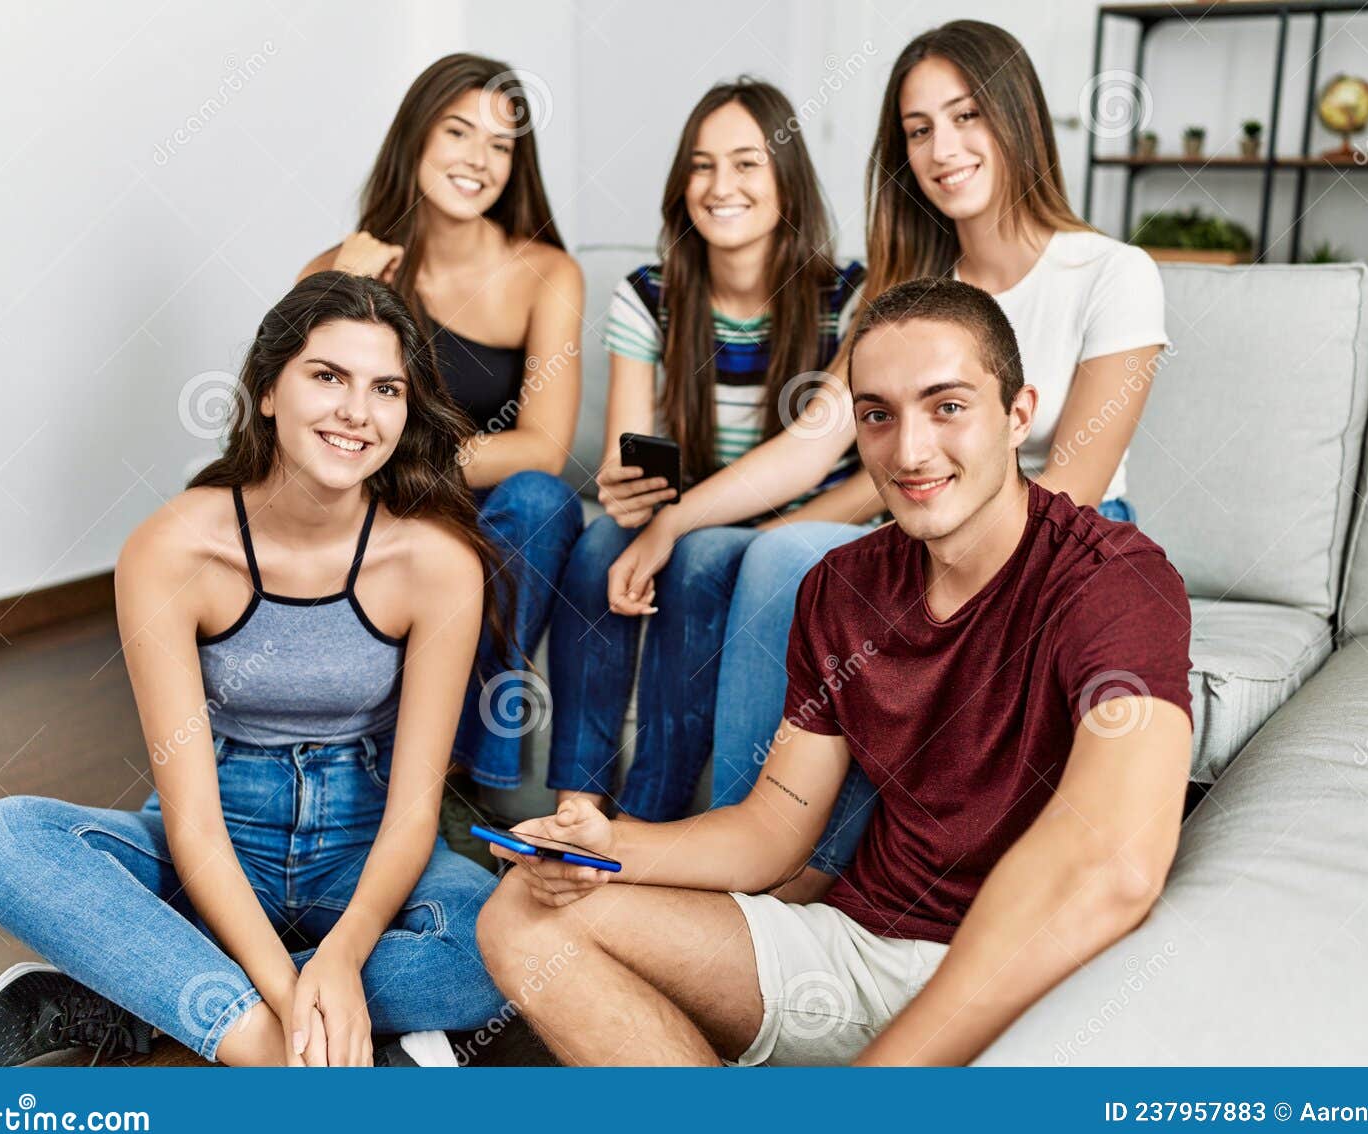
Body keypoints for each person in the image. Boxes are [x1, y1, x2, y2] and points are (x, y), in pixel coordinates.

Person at [475, 277, 1194, 1067]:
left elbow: (1115, 863)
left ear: (1018, 413)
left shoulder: (1113, 578)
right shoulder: (843, 584)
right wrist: (609, 844)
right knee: (519, 915)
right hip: (852, 950)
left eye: (947, 405)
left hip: (1006, 981)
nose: (910, 450)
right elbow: (772, 831)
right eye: (879, 415)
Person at [0, 273, 506, 1066]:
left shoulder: (438, 562)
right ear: (269, 390)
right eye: (328, 376)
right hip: (212, 838)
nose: (358, 411)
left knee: (491, 945)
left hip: (365, 843)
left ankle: (144, 993)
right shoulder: (173, 548)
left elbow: (416, 814)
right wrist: (285, 1001)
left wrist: (346, 956)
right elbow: (194, 826)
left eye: (386, 388)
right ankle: (283, 1047)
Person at [699, 21, 1172, 896]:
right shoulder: (908, 294)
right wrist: (676, 521)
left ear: (1017, 118)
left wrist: (912, 552)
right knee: (746, 552)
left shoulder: (1112, 273)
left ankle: (785, 876)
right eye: (918, 130)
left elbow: (1073, 477)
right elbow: (822, 442)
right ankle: (742, 851)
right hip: (926, 523)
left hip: (1063, 533)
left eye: (965, 117)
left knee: (793, 561)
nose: (943, 149)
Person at [545, 78, 864, 822]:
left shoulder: (848, 296)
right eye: (701, 164)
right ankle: (574, 809)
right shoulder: (650, 294)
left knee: (697, 555)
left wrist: (693, 526)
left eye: (747, 163)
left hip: (799, 518)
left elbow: (866, 479)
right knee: (595, 551)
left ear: (789, 180)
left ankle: (647, 819)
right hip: (695, 511)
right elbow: (641, 455)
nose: (721, 186)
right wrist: (630, 488)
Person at [297, 53, 584, 858]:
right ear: (415, 141)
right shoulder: (341, 265)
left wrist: (410, 462)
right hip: (372, 510)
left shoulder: (545, 274)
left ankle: (460, 777)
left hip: (473, 508)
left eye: (501, 144)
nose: (478, 159)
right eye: (458, 131)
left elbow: (544, 447)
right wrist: (337, 293)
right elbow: (288, 417)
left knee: (542, 500)